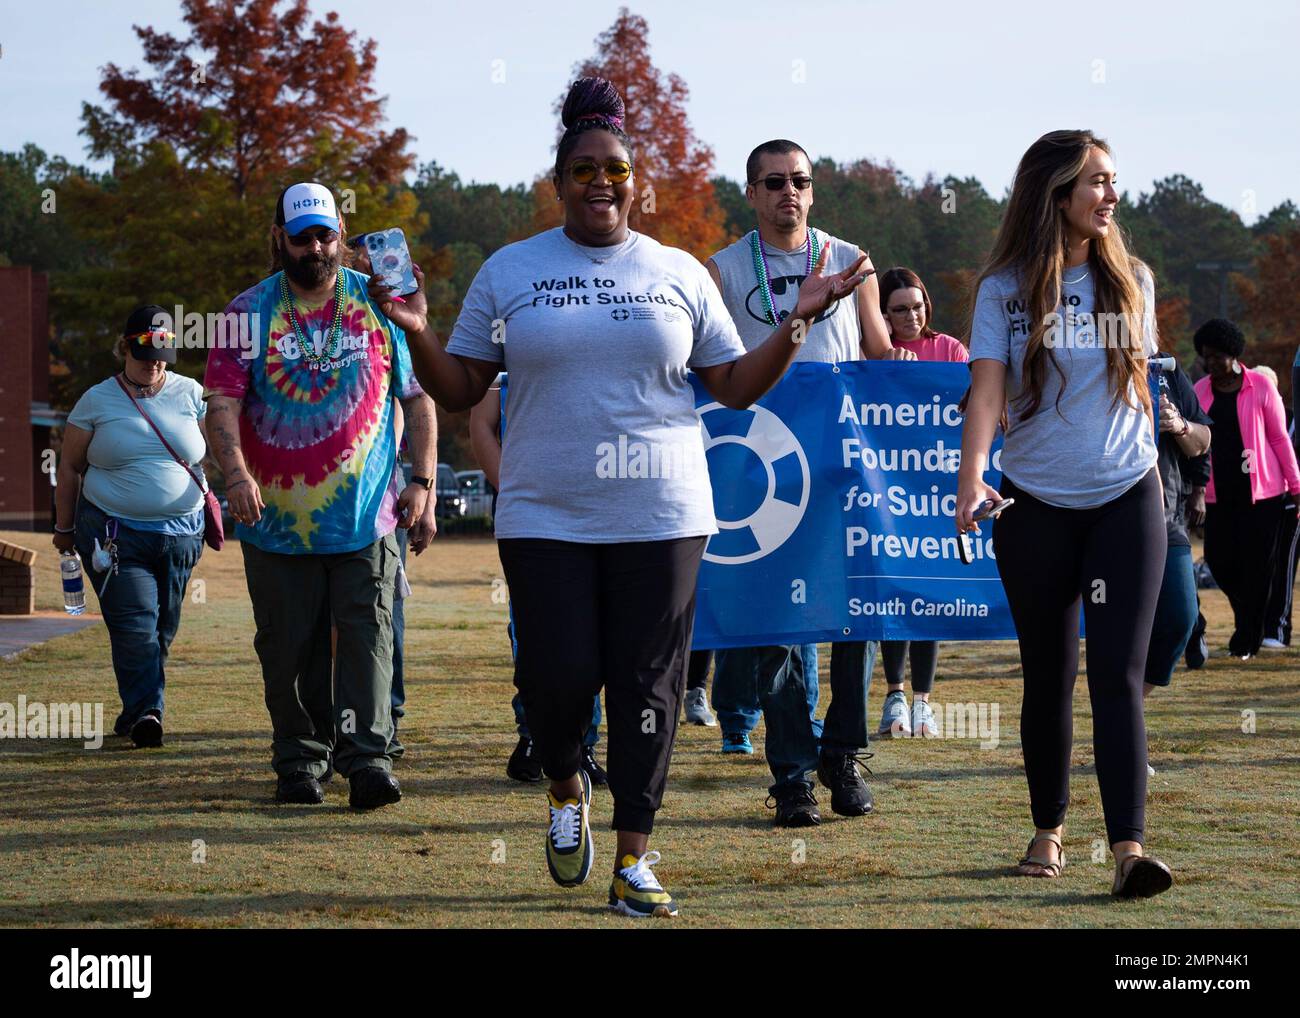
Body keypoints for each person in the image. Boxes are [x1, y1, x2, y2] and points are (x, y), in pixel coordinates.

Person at [377, 79, 869, 916]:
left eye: (616, 168)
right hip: (546, 514)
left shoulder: (678, 272)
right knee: (556, 680)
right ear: (559, 180)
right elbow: (459, 391)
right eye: (583, 169)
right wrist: (418, 329)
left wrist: (796, 320)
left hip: (666, 513)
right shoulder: (512, 272)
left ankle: (635, 856)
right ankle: (567, 787)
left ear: (636, 180)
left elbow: (735, 387)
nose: (600, 181)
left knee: (650, 688)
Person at [957, 129, 1174, 898]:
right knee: (1048, 676)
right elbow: (985, 392)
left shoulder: (1132, 281)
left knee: (1117, 674)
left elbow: (1136, 386)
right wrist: (971, 475)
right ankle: (1047, 829)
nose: (1112, 195)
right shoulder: (1003, 292)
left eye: (1114, 181)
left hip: (1125, 498)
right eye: (1097, 182)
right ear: (1056, 195)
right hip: (1034, 506)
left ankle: (1128, 851)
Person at [203, 181, 438, 809]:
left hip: (367, 514)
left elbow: (417, 400)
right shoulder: (243, 313)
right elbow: (221, 402)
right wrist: (234, 474)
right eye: (301, 235)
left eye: (325, 234)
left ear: (341, 236)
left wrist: (423, 483)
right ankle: (301, 764)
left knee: (368, 637)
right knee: (289, 646)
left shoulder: (380, 305)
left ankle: (367, 763)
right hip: (274, 518)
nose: (314, 247)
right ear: (279, 237)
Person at [705, 138, 906, 826]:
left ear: (812, 191)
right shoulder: (725, 270)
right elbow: (718, 370)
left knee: (860, 616)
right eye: (773, 182)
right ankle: (791, 773)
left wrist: (938, 378)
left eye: (800, 180)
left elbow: (877, 351)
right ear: (752, 193)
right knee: (780, 625)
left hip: (847, 463)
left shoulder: (852, 260)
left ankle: (842, 754)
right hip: (767, 472)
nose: (788, 191)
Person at [53, 305, 208, 748]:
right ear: (124, 348)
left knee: (163, 627)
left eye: (163, 355)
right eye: (145, 354)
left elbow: (213, 449)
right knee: (136, 623)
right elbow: (69, 467)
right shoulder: (97, 400)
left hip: (181, 533)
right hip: (114, 533)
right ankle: (147, 714)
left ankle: (136, 706)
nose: (154, 363)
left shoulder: (190, 393)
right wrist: (64, 527)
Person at [468, 378, 606, 785]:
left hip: (600, 508)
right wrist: (515, 492)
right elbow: (481, 423)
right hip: (532, 518)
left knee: (591, 632)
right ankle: (533, 737)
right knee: (533, 631)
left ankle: (584, 744)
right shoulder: (509, 327)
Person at [875, 266, 969, 739]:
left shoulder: (950, 349)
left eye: (917, 306)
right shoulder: (875, 352)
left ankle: (924, 702)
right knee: (895, 591)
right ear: (883, 315)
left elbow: (972, 405)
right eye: (899, 310)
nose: (911, 316)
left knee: (929, 592)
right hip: (888, 491)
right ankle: (893, 694)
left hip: (937, 488)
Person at [1192, 320, 1300, 659]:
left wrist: (1296, 486)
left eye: (1217, 357)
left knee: (1258, 569)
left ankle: (1247, 639)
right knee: (1219, 561)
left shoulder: (1262, 388)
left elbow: (1280, 438)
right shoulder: (1200, 391)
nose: (1211, 364)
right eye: (1205, 357)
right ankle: (1248, 619)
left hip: (1263, 495)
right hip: (1218, 494)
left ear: (1234, 355)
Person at [1141, 353, 1212, 775]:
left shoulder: (1164, 372)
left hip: (1166, 516)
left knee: (1181, 617)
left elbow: (1202, 441)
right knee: (1124, 629)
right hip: (1102, 513)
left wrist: (1180, 425)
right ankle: (1123, 735)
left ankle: (1123, 709)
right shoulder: (1084, 357)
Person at [1255, 364, 1300, 648]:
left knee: (1284, 564)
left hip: (1290, 502)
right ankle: (1265, 628)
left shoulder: (1291, 420)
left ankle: (1278, 630)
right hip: (1270, 502)